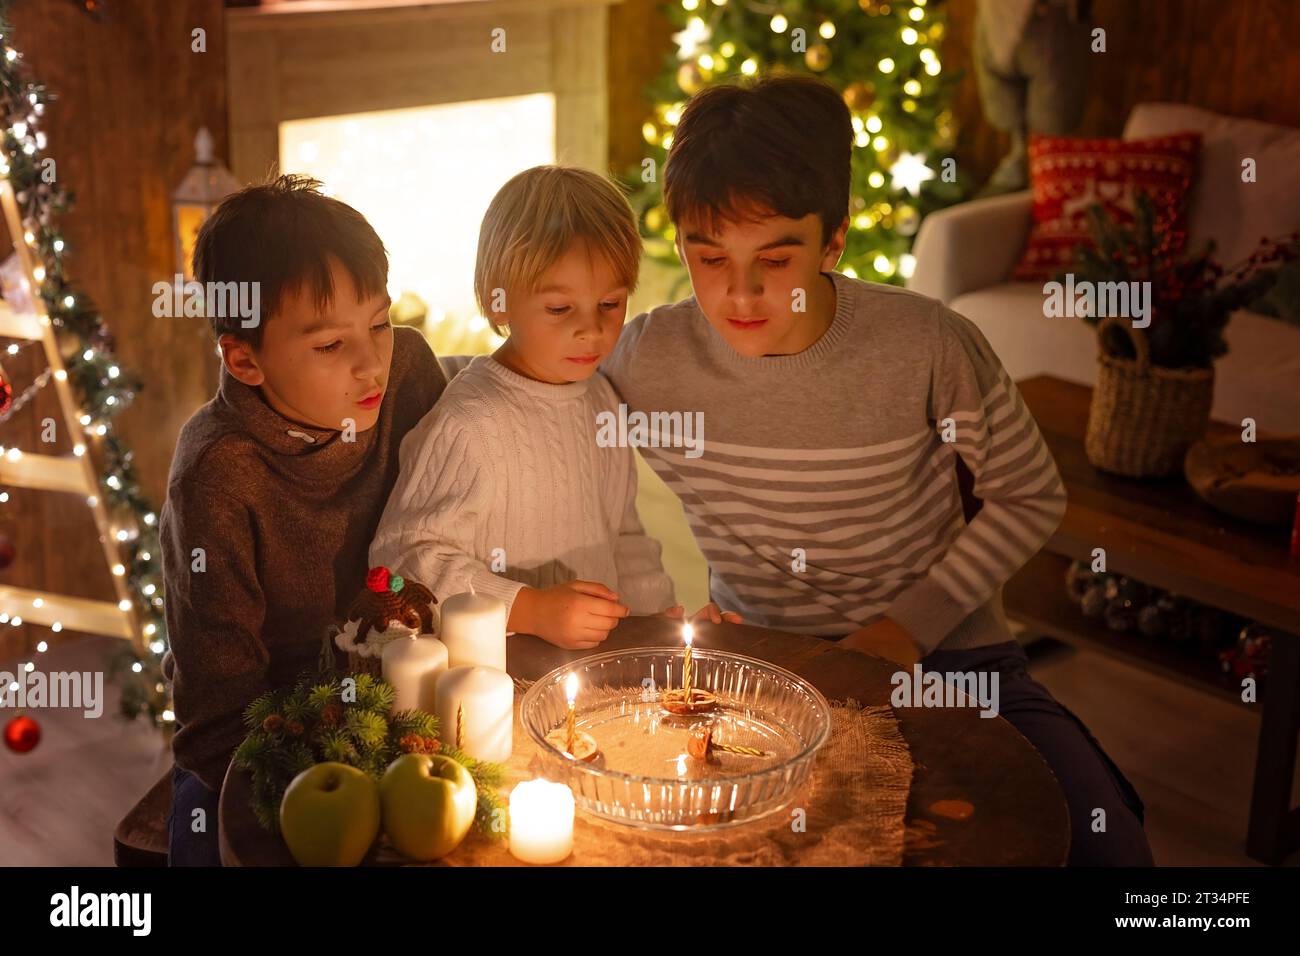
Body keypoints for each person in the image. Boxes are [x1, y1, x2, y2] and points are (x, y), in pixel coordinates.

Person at [599, 76, 1153, 865]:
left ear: (835, 239)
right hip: (763, 665)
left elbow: (1031, 495)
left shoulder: (927, 345)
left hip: (949, 657)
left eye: (777, 257)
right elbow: (527, 400)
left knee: (1106, 846)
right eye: (709, 256)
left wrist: (906, 628)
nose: (740, 293)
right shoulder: (647, 358)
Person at [160, 174, 447, 865]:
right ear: (244, 358)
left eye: (377, 322)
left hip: (410, 718)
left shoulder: (407, 371)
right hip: (259, 752)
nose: (369, 362)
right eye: (328, 346)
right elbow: (217, 718)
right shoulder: (217, 478)